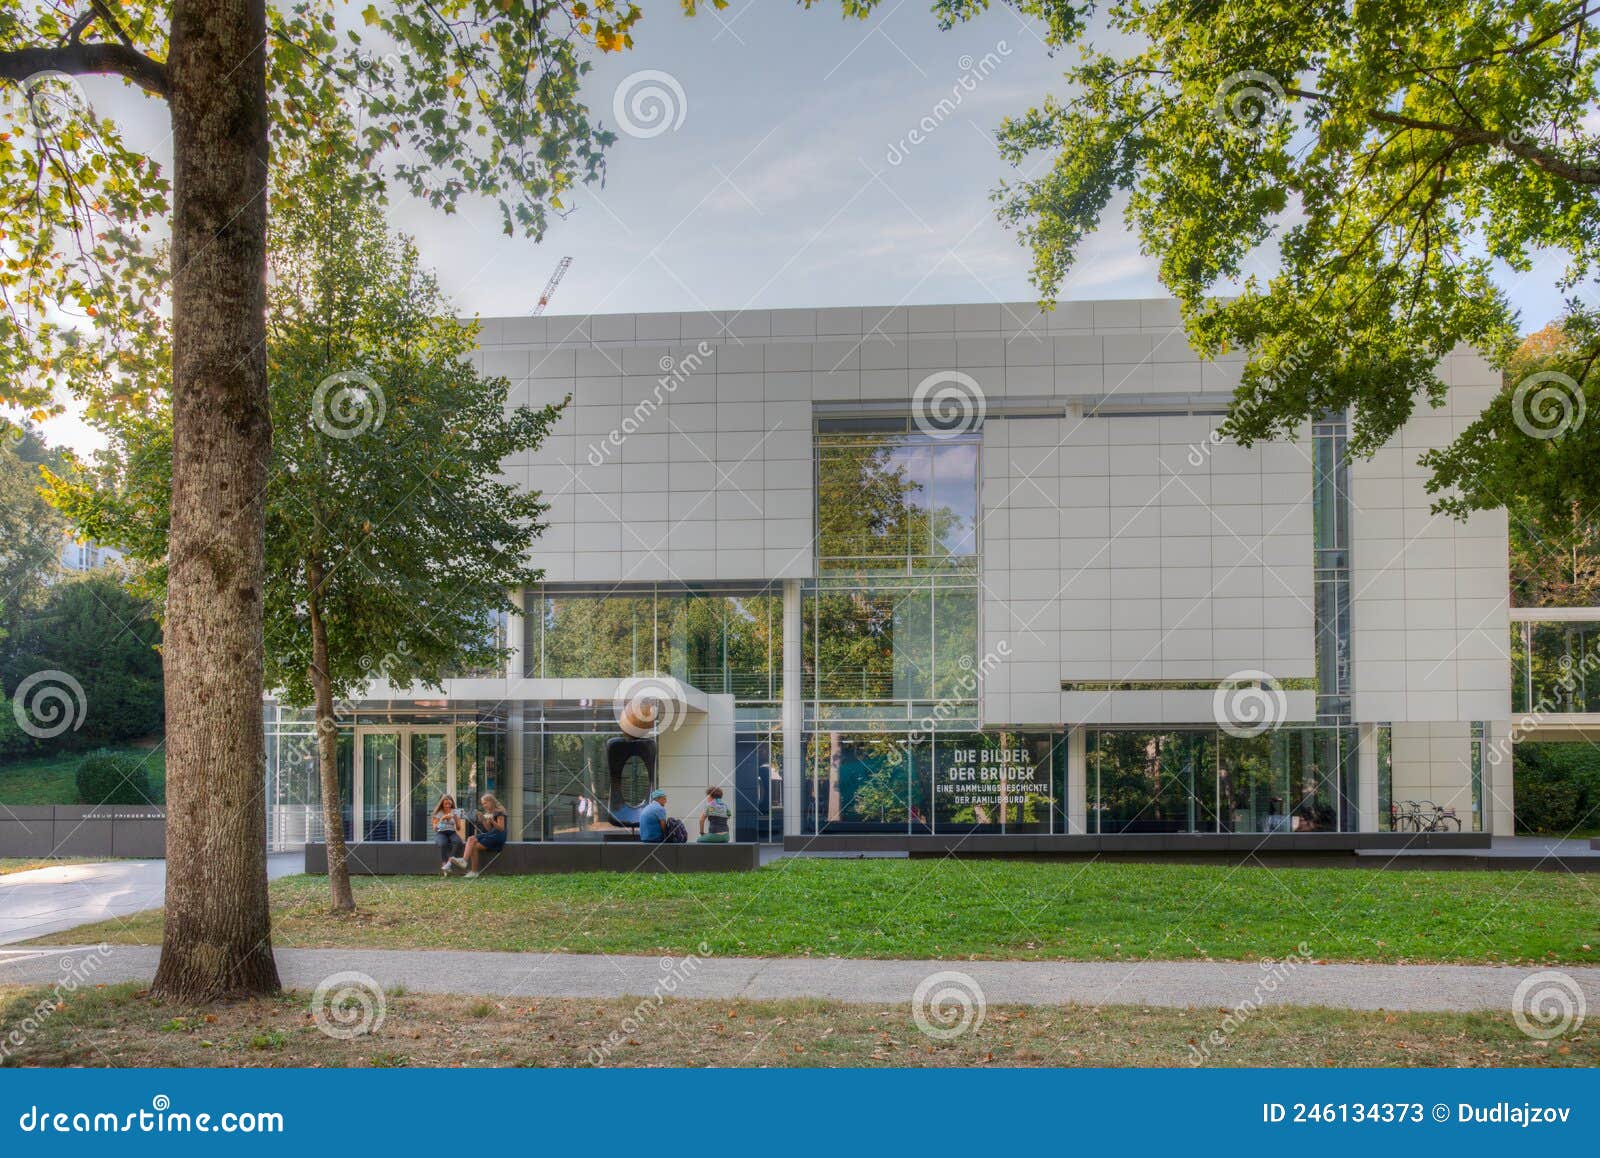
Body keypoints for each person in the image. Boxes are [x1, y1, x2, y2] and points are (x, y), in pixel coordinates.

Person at [449, 793, 507, 878]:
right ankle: (466, 863)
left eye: (485, 803)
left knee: (473, 844)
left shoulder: (499, 812)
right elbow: (489, 829)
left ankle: (471, 868)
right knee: (471, 839)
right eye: (482, 804)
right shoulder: (489, 813)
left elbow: (501, 828)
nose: (484, 806)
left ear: (491, 802)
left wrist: (492, 821)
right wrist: (483, 819)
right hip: (491, 834)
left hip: (498, 836)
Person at [432, 795, 465, 873]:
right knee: (443, 843)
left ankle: (449, 863)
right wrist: (442, 819)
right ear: (442, 804)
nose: (448, 806)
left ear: (452, 803)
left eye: (449, 804)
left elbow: (458, 828)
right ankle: (444, 863)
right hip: (441, 832)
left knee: (458, 841)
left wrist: (455, 819)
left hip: (452, 832)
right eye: (445, 804)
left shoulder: (454, 811)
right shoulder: (438, 813)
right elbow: (435, 829)